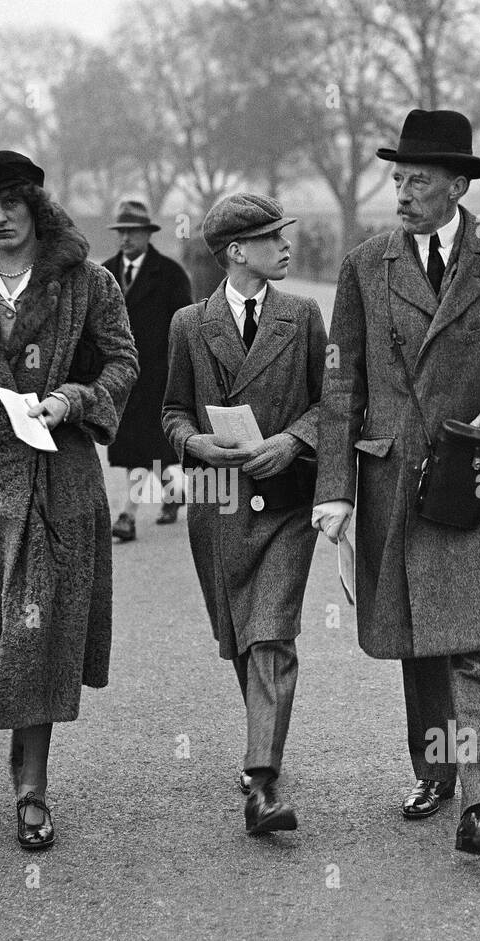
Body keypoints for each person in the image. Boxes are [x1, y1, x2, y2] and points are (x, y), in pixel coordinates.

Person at [313, 109, 480, 856]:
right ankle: (436, 768)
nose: (402, 189)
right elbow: (340, 383)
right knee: (422, 634)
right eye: (397, 177)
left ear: (458, 185)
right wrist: (336, 487)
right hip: (396, 477)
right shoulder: (367, 264)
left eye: (418, 178)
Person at [0, 151, 138, 851]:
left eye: (13, 203)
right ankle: (21, 754)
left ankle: (31, 787)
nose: (1, 218)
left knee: (37, 636)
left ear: (36, 207)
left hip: (57, 484)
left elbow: (123, 363)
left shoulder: (88, 283)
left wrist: (73, 399)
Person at [162, 193, 325, 835]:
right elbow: (171, 411)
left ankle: (262, 783)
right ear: (236, 252)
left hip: (284, 499)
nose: (287, 247)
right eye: (272, 238)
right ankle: (266, 743)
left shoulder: (305, 316)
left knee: (271, 632)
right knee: (238, 635)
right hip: (218, 504)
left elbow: (330, 403)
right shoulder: (187, 325)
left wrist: (291, 443)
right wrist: (195, 443)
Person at [102, 199, 193, 539]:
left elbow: (186, 327)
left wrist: (184, 373)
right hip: (119, 379)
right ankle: (176, 493)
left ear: (147, 234)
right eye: (121, 231)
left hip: (158, 376)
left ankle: (126, 515)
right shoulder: (105, 272)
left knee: (146, 446)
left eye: (133, 232)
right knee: (141, 448)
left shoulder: (170, 273)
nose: (126, 238)